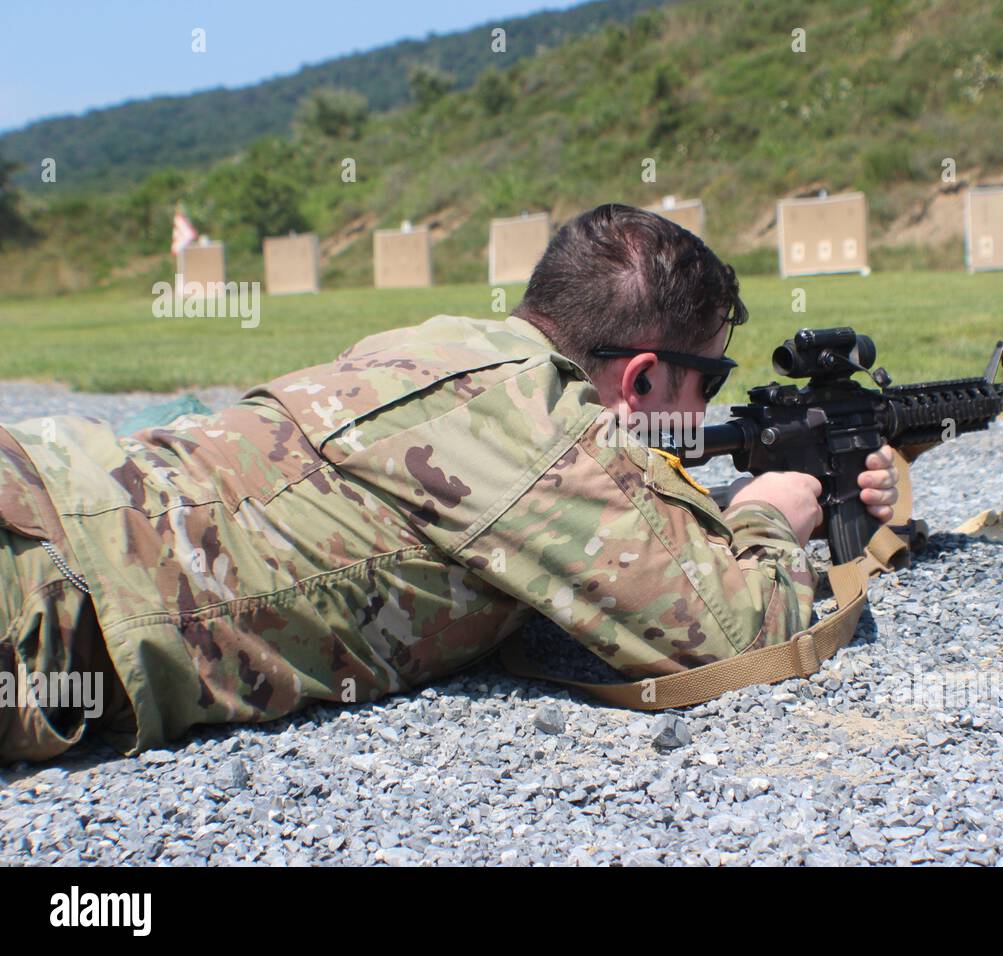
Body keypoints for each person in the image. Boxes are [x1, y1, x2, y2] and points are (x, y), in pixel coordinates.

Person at [0, 203, 911, 763]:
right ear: (638, 379)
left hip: (44, 479)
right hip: (48, 604)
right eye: (704, 381)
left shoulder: (443, 344)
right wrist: (764, 514)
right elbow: (732, 628)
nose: (708, 401)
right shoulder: (541, 432)